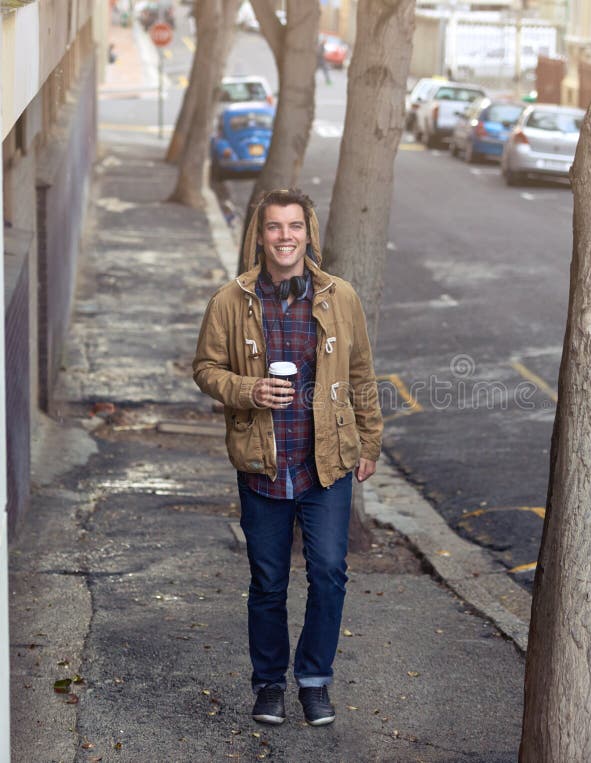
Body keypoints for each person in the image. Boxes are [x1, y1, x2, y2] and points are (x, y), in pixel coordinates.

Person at [193, 189, 382, 727]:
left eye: (294, 226)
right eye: (274, 227)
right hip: (263, 462)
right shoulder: (230, 301)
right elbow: (205, 368)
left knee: (327, 573)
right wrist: (248, 390)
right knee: (268, 580)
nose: (284, 237)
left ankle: (315, 682)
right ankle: (269, 684)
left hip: (326, 462)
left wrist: (369, 442)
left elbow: (362, 373)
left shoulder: (339, 296)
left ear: (308, 232)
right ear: (260, 235)